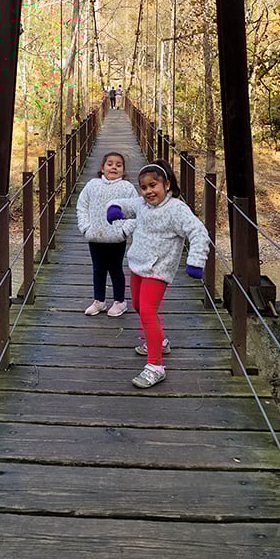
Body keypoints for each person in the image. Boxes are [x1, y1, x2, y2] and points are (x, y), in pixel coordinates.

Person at [106, 159, 209, 388]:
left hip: (159, 269)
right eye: (144, 187)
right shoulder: (143, 205)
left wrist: (195, 261)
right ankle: (159, 342)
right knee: (138, 307)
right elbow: (129, 203)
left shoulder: (176, 210)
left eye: (154, 185)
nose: (148, 191)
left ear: (167, 185)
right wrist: (116, 208)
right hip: (138, 264)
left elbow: (198, 232)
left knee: (148, 313)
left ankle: (155, 366)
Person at [76, 152, 138, 317]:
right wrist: (85, 228)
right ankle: (99, 301)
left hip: (116, 237)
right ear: (102, 167)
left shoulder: (127, 188)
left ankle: (120, 301)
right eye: (110, 164)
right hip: (95, 235)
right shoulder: (92, 185)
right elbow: (82, 205)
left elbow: (135, 210)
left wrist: (124, 231)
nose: (114, 167)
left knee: (115, 268)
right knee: (98, 269)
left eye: (118, 165)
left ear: (123, 170)